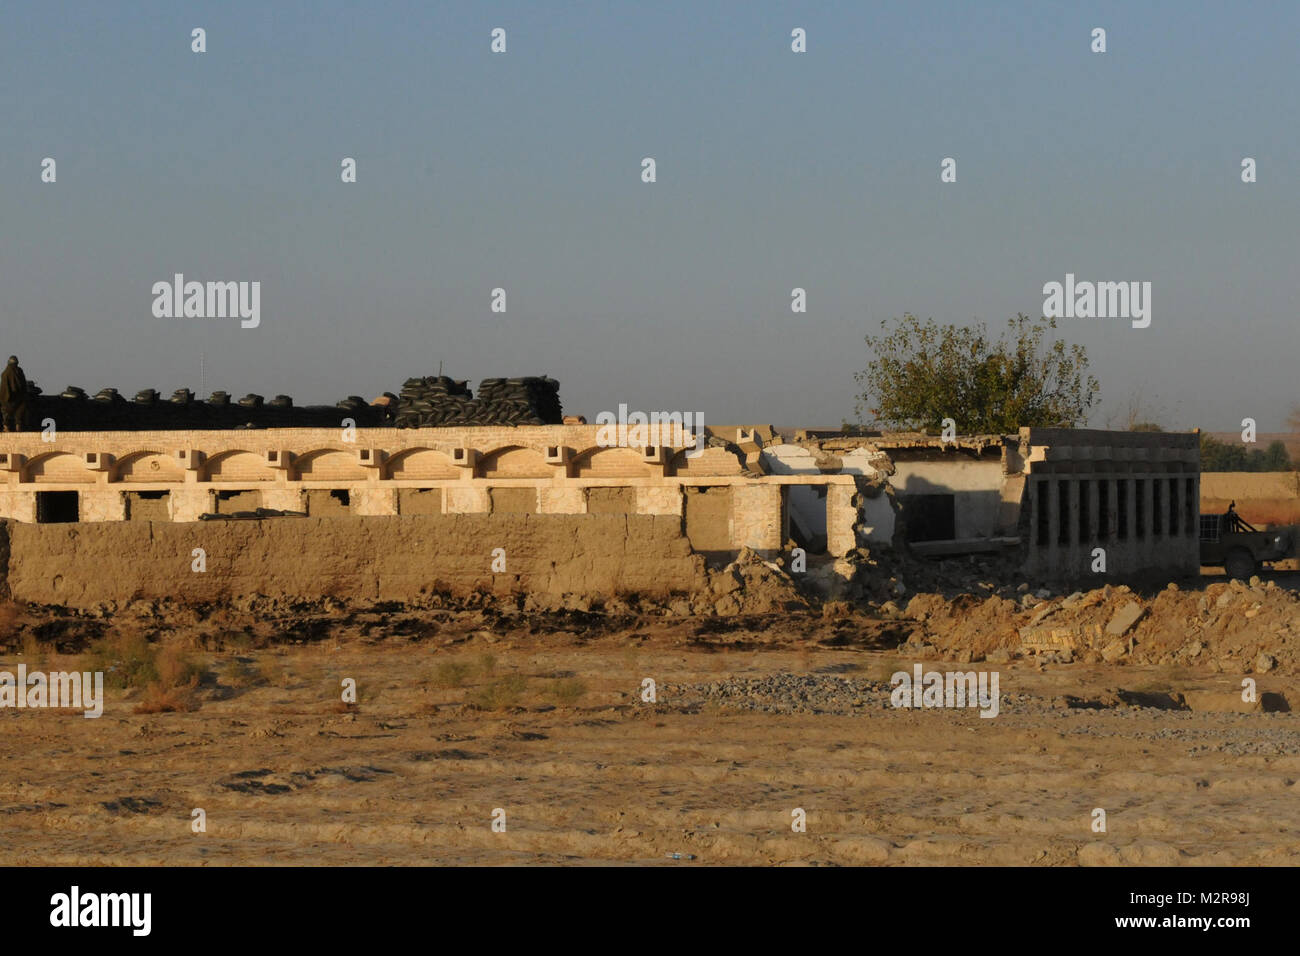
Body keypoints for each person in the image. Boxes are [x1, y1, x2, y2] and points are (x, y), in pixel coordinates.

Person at [0, 356, 28, 432]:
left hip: (8, 398)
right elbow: (23, 385)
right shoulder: (18, 371)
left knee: (6, 412)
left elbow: (3, 389)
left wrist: (5, 398)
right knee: (18, 413)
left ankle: (6, 427)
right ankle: (17, 426)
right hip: (18, 397)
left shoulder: (5, 373)